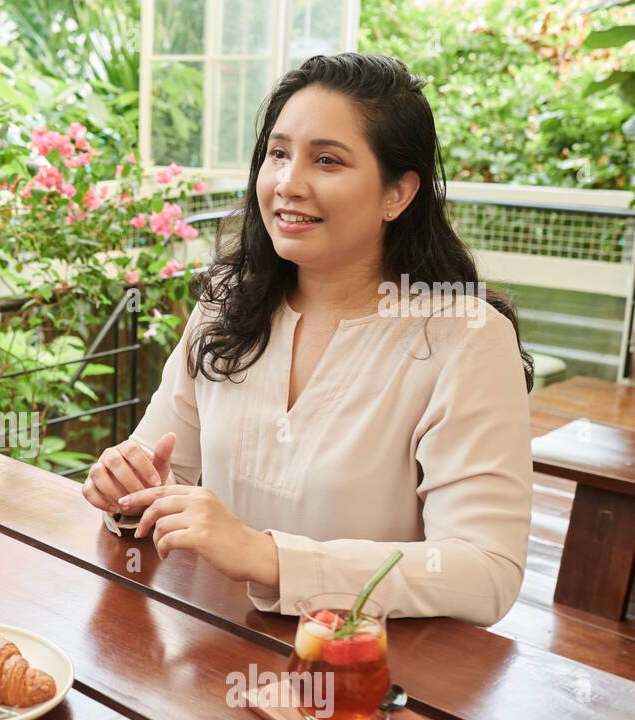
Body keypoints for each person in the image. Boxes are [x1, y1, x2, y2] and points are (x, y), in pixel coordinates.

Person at [83, 53, 533, 627]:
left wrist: (267, 557)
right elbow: (159, 478)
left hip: (370, 681)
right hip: (212, 654)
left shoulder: (464, 339)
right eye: (277, 154)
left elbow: (484, 572)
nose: (288, 183)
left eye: (326, 160)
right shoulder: (226, 303)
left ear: (397, 193)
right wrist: (126, 491)